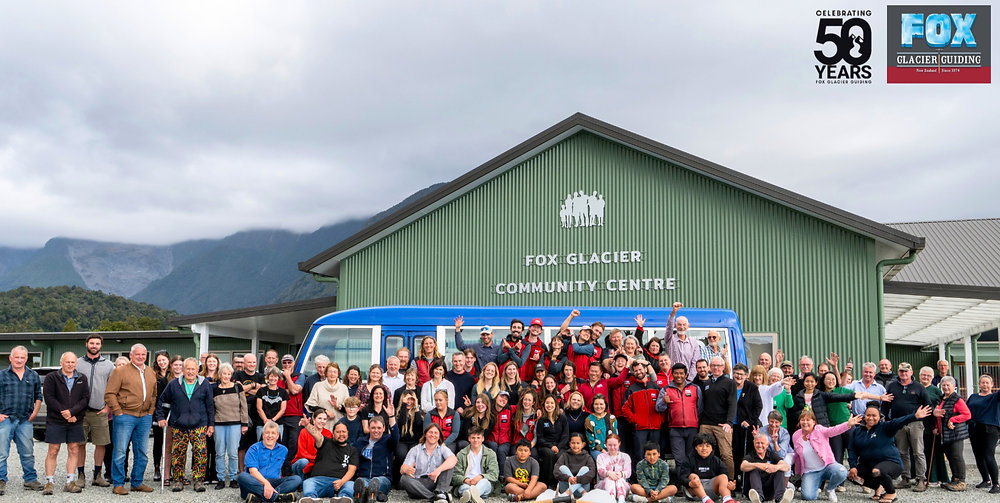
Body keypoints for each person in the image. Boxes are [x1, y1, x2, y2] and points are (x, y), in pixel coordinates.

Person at [849, 403, 932, 503]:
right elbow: (852, 450)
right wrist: (853, 466)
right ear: (864, 416)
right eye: (868, 415)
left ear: (879, 417)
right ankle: (878, 487)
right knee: (852, 476)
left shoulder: (885, 427)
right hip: (869, 465)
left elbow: (899, 421)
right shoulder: (857, 431)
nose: (871, 418)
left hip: (891, 464)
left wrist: (914, 416)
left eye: (874, 415)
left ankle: (891, 492)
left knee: (877, 471)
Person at [104, 343, 157, 495]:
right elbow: (109, 393)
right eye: (138, 354)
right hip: (125, 416)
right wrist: (118, 411)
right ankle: (118, 483)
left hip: (144, 417)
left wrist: (151, 411)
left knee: (141, 452)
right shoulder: (120, 371)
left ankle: (137, 482)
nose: (141, 357)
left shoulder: (151, 372)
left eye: (143, 355)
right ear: (131, 355)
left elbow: (154, 394)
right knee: (120, 451)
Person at [156, 357, 215, 492]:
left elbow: (210, 406)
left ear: (197, 370)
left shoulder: (204, 383)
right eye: (187, 369)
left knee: (200, 453)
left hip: (199, 424)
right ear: (183, 370)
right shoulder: (174, 384)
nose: (190, 372)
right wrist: (160, 417)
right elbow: (161, 401)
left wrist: (211, 425)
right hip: (179, 425)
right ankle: (178, 480)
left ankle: (199, 480)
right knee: (178, 453)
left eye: (193, 369)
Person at [41, 351, 89, 494]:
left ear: (76, 363)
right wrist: (66, 413)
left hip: (75, 420)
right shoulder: (51, 377)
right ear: (61, 362)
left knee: (74, 449)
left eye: (73, 362)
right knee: (53, 450)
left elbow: (85, 399)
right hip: (56, 420)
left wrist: (72, 413)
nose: (70, 364)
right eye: (67, 362)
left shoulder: (82, 378)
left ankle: (70, 481)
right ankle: (49, 482)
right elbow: (49, 398)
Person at [0, 346, 44, 495]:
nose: (19, 360)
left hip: (25, 420)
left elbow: (38, 396)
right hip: (5, 419)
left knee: (27, 452)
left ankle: (30, 480)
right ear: (10, 358)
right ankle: (0, 480)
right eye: (16, 357)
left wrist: (35, 413)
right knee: (1, 453)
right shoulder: (2, 375)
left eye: (22, 357)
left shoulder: (33, 375)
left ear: (26, 359)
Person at [74, 334, 116, 487]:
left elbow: (114, 389)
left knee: (101, 444)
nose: (94, 346)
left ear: (101, 346)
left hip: (100, 411)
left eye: (97, 343)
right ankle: (81, 476)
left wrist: (107, 407)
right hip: (81, 412)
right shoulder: (77, 363)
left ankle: (97, 475)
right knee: (80, 444)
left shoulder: (109, 365)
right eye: (91, 343)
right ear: (86, 344)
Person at [792, 410, 860, 501]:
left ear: (814, 422)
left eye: (808, 420)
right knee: (808, 497)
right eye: (802, 420)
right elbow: (797, 456)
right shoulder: (796, 435)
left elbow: (834, 430)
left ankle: (830, 489)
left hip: (827, 466)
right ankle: (814, 485)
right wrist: (798, 472)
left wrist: (847, 424)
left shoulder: (819, 429)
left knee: (842, 471)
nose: (805, 422)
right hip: (810, 471)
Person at [881, 362, 929, 491]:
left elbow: (928, 405)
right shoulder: (892, 386)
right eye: (901, 371)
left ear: (911, 372)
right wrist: (883, 416)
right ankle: (905, 478)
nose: (903, 374)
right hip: (898, 423)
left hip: (915, 424)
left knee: (918, 452)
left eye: (906, 371)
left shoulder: (919, 387)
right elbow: (886, 404)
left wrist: (923, 416)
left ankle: (920, 480)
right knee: (902, 452)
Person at [238, 420, 301, 503]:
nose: (270, 436)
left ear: (277, 436)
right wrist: (266, 484)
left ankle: (259, 498)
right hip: (255, 482)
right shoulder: (254, 449)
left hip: (274, 482)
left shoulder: (283, 450)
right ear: (263, 434)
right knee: (242, 476)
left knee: (297, 479)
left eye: (273, 433)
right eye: (267, 433)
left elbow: (287, 469)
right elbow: (253, 472)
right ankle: (277, 497)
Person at [300, 422, 358, 503]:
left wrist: (342, 482)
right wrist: (307, 425)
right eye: (338, 432)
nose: (341, 434)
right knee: (308, 482)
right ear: (333, 433)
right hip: (318, 481)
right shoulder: (325, 442)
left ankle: (343, 498)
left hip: (339, 482)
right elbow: (317, 434)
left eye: (344, 432)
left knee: (351, 484)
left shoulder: (352, 450)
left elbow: (352, 470)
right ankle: (311, 499)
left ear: (348, 433)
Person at [400, 423, 458, 503]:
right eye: (430, 432)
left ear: (439, 436)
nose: (433, 435)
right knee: (404, 478)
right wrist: (406, 469)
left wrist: (438, 470)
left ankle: (440, 492)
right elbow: (402, 469)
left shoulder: (442, 448)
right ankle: (437, 497)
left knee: (449, 465)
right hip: (418, 484)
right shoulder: (415, 449)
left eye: (436, 433)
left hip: (436, 482)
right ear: (425, 434)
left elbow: (453, 459)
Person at [213, 362, 249, 489]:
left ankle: (233, 478)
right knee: (219, 453)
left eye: (229, 374)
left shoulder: (238, 387)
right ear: (220, 375)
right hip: (219, 424)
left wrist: (244, 423)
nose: (226, 376)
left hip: (235, 424)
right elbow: (211, 408)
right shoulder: (214, 389)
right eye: (224, 374)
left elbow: (244, 406)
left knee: (233, 453)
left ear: (231, 375)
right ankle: (221, 479)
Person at [700, 355, 737, 478]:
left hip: (722, 424)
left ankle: (730, 482)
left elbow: (732, 404)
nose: (716, 368)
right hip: (706, 424)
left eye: (719, 365)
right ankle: (708, 480)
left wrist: (729, 422)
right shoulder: (707, 383)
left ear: (723, 367)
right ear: (710, 367)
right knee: (704, 453)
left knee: (726, 454)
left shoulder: (730, 383)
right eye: (713, 365)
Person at [655, 362, 700, 463]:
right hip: (675, 429)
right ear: (672, 374)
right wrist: (663, 402)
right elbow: (658, 408)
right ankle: (681, 479)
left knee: (691, 457)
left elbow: (699, 407)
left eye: (681, 373)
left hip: (692, 428)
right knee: (679, 458)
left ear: (685, 375)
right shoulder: (666, 389)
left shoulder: (695, 388)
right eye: (676, 373)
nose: (678, 376)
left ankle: (690, 478)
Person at [621, 359, 663, 466]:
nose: (638, 372)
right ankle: (639, 479)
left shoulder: (656, 388)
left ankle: (655, 478)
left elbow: (664, 406)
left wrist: (660, 420)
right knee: (640, 455)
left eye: (640, 369)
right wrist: (635, 420)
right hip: (639, 429)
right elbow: (625, 409)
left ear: (645, 369)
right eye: (635, 371)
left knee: (655, 454)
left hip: (655, 427)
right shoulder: (631, 390)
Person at [934, 376, 971, 491]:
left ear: (953, 387)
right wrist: (937, 427)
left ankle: (961, 481)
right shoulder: (941, 398)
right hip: (944, 434)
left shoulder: (957, 399)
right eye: (943, 385)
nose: (945, 387)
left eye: (948, 385)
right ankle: (955, 479)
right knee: (950, 457)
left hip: (956, 433)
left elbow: (967, 414)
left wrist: (953, 420)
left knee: (956, 456)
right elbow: (939, 416)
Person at [677, 433, 737, 503]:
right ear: (696, 447)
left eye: (707, 446)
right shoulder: (689, 459)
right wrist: (690, 483)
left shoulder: (716, 460)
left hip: (711, 490)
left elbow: (725, 475)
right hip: (694, 491)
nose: (704, 448)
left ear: (712, 448)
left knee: (723, 477)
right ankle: (706, 499)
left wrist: (730, 485)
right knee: (693, 476)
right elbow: (682, 478)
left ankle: (727, 499)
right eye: (700, 446)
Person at [353, 414, 397, 503]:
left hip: (383, 477)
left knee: (376, 482)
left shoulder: (388, 440)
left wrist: (392, 417)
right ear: (368, 428)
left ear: (384, 428)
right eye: (373, 428)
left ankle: (366, 494)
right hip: (364, 477)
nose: (376, 431)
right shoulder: (360, 441)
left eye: (379, 428)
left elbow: (396, 436)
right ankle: (368, 495)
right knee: (361, 483)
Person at [968, 374, 1000, 492]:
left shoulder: (995, 397)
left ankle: (996, 484)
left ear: (992, 385)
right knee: (978, 456)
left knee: (988, 455)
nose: (985, 385)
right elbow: (966, 410)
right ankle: (986, 480)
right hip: (974, 428)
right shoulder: (973, 397)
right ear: (979, 384)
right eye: (983, 382)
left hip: (990, 429)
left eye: (987, 383)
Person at [740, 433, 792, 503]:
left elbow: (786, 467)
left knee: (779, 470)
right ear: (754, 443)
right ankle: (758, 498)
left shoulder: (771, 455)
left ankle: (780, 498)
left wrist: (775, 467)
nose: (760, 445)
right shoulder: (750, 455)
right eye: (757, 443)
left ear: (767, 444)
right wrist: (758, 465)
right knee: (753, 470)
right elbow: (743, 466)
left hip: (769, 491)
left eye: (762, 443)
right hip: (753, 492)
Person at [452, 426, 499, 503]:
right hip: (467, 483)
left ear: (483, 438)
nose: (476, 440)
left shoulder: (490, 454)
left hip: (483, 483)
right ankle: (474, 497)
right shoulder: (461, 454)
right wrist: (466, 480)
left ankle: (469, 496)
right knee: (464, 487)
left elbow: (494, 474)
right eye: (473, 438)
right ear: (469, 439)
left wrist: (480, 477)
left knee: (484, 483)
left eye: (478, 437)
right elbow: (455, 475)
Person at [235, 353, 265, 472]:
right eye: (249, 362)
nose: (252, 364)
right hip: (242, 411)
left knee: (254, 444)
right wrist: (253, 385)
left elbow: (263, 391)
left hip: (257, 411)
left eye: (254, 362)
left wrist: (245, 389)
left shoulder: (261, 376)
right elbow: (238, 390)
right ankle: (241, 471)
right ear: (244, 364)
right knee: (242, 444)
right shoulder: (238, 374)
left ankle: (252, 470)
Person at [918, 366, 947, 487]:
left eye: (928, 376)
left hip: (931, 426)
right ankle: (918, 476)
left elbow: (940, 408)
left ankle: (933, 477)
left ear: (932, 377)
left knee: (932, 452)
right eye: (923, 375)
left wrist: (937, 426)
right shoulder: (915, 387)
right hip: (916, 424)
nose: (925, 377)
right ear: (919, 376)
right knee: (918, 452)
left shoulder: (936, 391)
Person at [536, 394, 569, 485]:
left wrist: (558, 447)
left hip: (560, 445)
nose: (549, 405)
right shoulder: (541, 420)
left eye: (552, 403)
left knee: (560, 455)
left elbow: (565, 436)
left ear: (556, 405)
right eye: (547, 403)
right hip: (546, 446)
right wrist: (551, 446)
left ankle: (560, 482)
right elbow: (540, 438)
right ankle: (548, 482)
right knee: (549, 454)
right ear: (544, 405)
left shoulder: (562, 418)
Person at [663, 302, 703, 378]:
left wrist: (690, 379)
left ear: (688, 326)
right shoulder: (670, 339)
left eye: (684, 324)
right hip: (672, 378)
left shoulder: (694, 343)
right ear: (675, 326)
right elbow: (669, 327)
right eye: (679, 324)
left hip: (688, 378)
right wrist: (673, 312)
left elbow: (695, 363)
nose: (682, 327)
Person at [553, 433, 596, 498]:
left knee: (585, 469)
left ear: (583, 444)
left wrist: (578, 479)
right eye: (573, 443)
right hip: (566, 487)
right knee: (562, 468)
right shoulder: (565, 455)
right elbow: (556, 471)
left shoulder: (587, 457)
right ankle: (579, 491)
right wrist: (568, 478)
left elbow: (592, 473)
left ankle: (568, 493)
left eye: (578, 443)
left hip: (580, 490)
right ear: (569, 444)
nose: (575, 445)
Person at [291, 408, 332, 478]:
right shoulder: (304, 431)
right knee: (304, 462)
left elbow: (327, 453)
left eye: (324, 419)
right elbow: (302, 453)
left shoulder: (328, 433)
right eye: (319, 418)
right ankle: (300, 482)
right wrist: (316, 459)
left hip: (318, 463)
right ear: (314, 419)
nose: (322, 421)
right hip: (303, 461)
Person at [595, 434, 632, 503]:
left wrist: (620, 474)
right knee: (609, 479)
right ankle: (611, 499)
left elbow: (628, 472)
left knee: (620, 479)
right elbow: (600, 471)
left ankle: (621, 498)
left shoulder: (625, 456)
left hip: (622, 484)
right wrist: (609, 473)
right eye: (609, 445)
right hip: (605, 484)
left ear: (619, 444)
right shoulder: (600, 457)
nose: (612, 447)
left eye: (615, 445)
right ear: (605, 444)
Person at [256, 368, 288, 439]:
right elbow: (259, 408)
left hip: (278, 424)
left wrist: (273, 420)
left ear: (279, 378)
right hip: (262, 424)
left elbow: (283, 410)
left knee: (276, 447)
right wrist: (266, 420)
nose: (273, 378)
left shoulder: (283, 392)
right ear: (267, 377)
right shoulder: (261, 391)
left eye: (275, 376)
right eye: (271, 376)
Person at [586, 394, 618, 459]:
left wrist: (610, 449)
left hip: (612, 447)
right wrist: (602, 450)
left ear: (605, 405)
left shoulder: (612, 418)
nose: (598, 406)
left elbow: (615, 436)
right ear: (593, 405)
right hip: (596, 449)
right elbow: (590, 440)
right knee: (603, 460)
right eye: (596, 404)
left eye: (601, 404)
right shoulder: (589, 419)